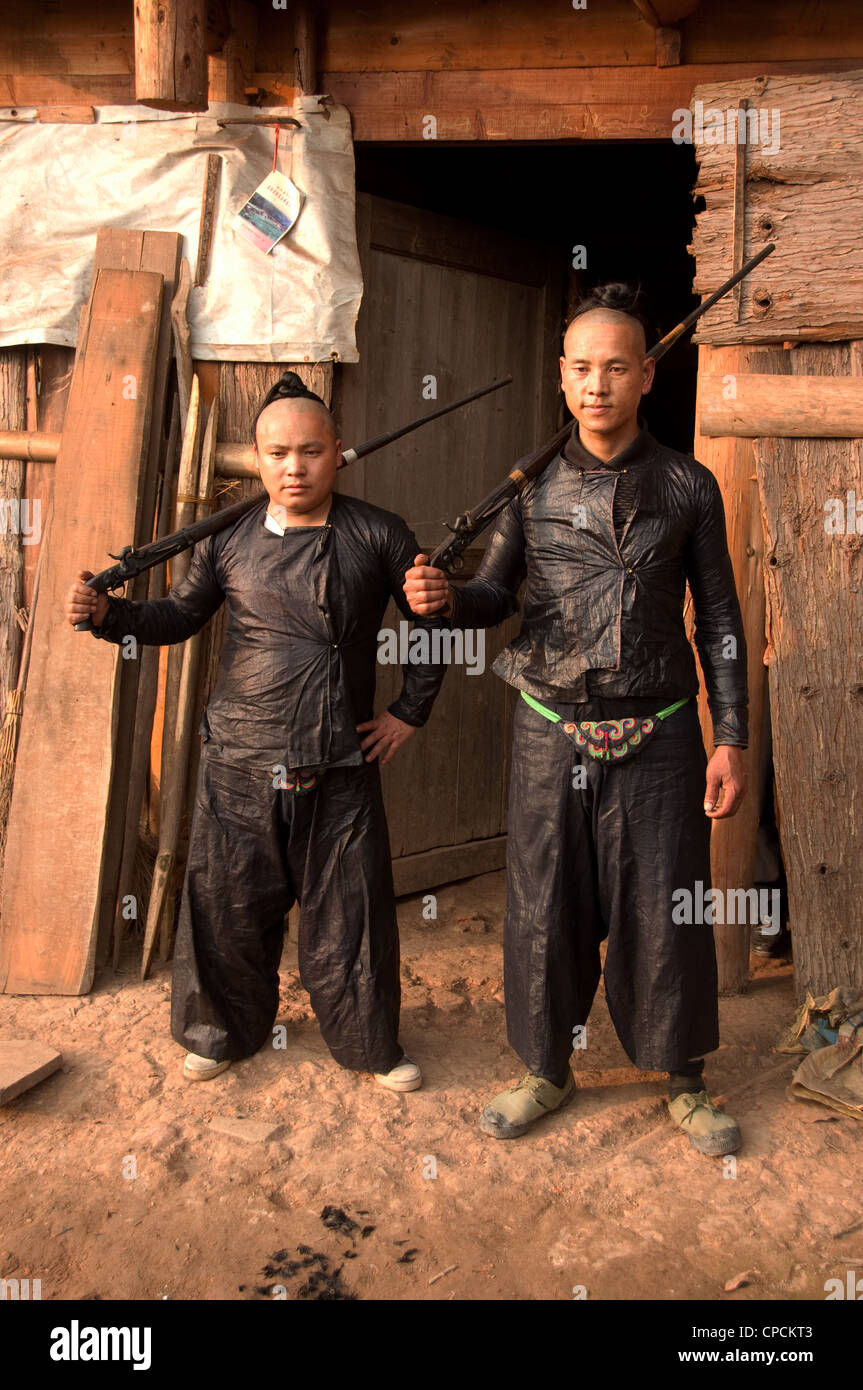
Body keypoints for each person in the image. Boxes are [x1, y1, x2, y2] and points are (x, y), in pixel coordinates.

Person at [403, 286, 749, 1155]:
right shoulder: (529, 487)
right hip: (547, 725)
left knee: (665, 905)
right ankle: (544, 1070)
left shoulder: (687, 485)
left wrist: (731, 735)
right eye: (582, 368)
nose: (598, 384)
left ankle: (683, 1078)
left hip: (662, 728)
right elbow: (493, 593)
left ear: (647, 375)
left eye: (616, 367)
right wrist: (445, 601)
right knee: (544, 902)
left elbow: (718, 621)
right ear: (562, 378)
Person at [65, 372, 449, 1092]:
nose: (293, 467)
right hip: (239, 757)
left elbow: (432, 619)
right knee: (227, 903)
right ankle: (221, 1033)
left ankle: (368, 1043)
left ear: (338, 452)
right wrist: (107, 615)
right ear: (257, 457)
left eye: (309, 450)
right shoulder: (227, 540)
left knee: (349, 912)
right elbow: (177, 618)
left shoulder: (378, 532)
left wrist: (408, 711)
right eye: (277, 453)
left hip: (338, 761)